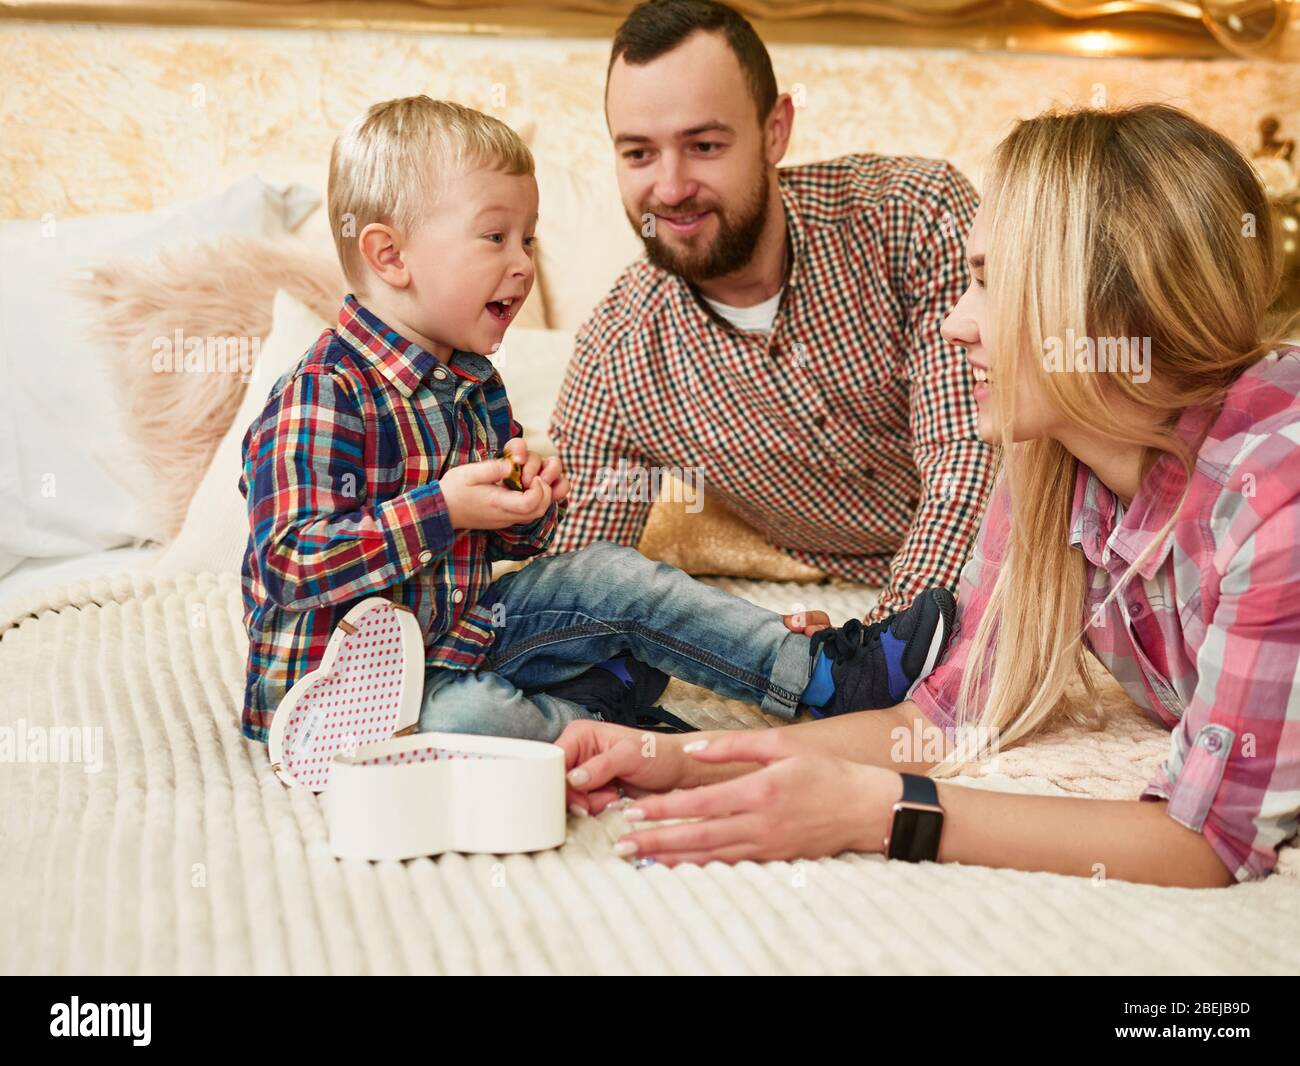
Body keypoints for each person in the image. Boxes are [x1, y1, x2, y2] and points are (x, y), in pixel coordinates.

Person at [560, 102, 1300, 889]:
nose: (956, 324)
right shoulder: (1051, 460)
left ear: (1106, 301)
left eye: (987, 282)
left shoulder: (1272, 493)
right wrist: (677, 761)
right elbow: (940, 718)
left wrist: (877, 812)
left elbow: (1210, 841)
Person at [237, 95, 957, 747]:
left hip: (461, 636)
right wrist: (443, 508)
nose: (521, 264)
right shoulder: (324, 394)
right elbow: (289, 564)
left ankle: (824, 673)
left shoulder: (472, 385)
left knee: (609, 575)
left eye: (531, 240)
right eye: (495, 238)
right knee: (471, 722)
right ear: (390, 255)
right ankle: (610, 723)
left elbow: (490, 552)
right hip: (348, 696)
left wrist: (527, 510)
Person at [547, 0, 996, 621]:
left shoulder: (913, 215)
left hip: (1050, 553)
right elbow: (579, 581)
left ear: (776, 130)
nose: (671, 189)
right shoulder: (617, 353)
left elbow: (968, 452)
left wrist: (883, 645)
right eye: (639, 154)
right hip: (851, 573)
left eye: (703, 144)